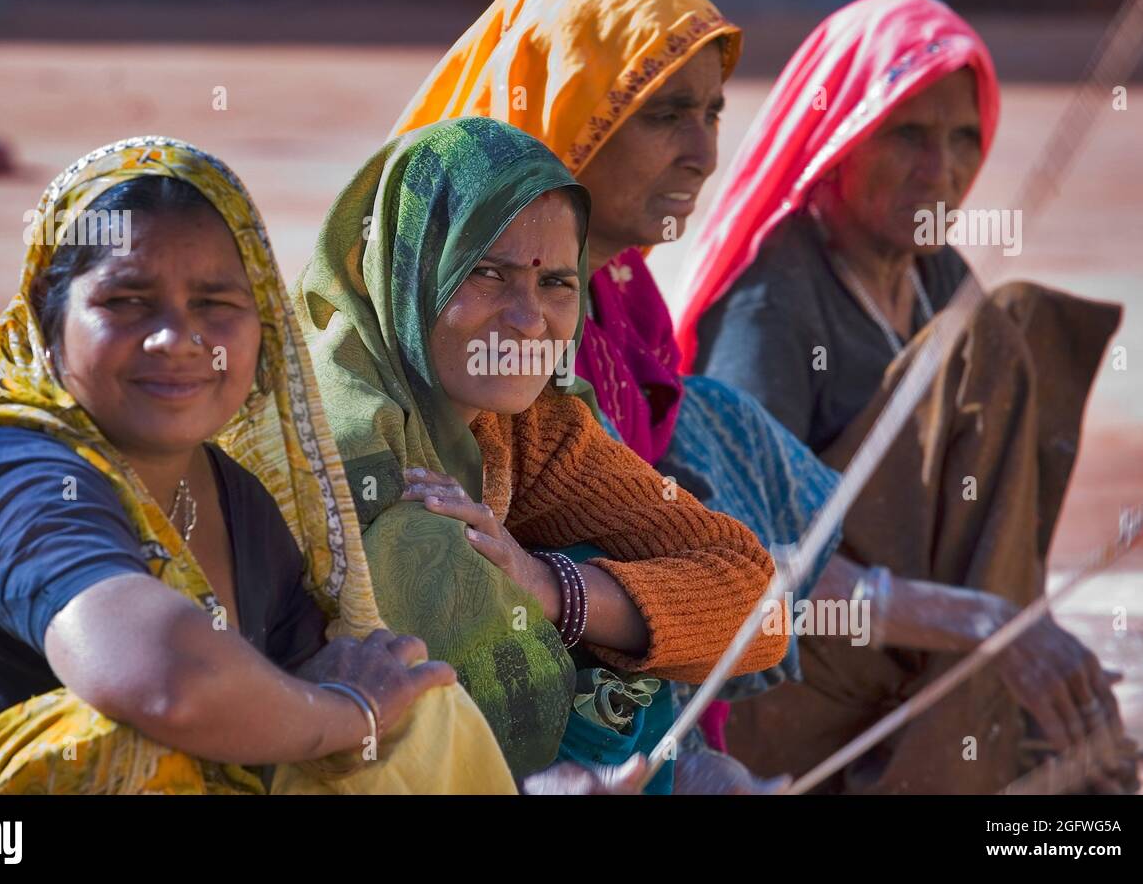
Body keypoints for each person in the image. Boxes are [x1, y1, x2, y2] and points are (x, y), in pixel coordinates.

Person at [0, 136, 517, 795]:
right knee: (132, 749)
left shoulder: (235, 496)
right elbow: (166, 685)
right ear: (48, 318)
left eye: (215, 304)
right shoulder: (13, 474)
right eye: (126, 302)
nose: (177, 340)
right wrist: (351, 713)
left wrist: (363, 715)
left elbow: (298, 689)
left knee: (412, 707)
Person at [390, 0, 848, 792]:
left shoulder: (613, 318)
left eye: (712, 113)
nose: (705, 154)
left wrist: (551, 586)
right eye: (666, 114)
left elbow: (751, 598)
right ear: (567, 111)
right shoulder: (386, 403)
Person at [674, 0, 1137, 793]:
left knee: (1028, 326)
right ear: (841, 140)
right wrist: (988, 624)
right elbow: (741, 568)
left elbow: (985, 525)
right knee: (997, 333)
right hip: (784, 685)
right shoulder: (774, 297)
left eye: (964, 138)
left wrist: (1028, 627)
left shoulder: (935, 276)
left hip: (898, 663)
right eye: (908, 135)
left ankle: (993, 719)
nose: (943, 170)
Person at [293, 116, 789, 786]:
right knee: (426, 543)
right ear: (407, 269)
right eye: (488, 273)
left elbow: (759, 606)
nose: (530, 319)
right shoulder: (340, 433)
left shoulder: (530, 425)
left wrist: (549, 587)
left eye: (556, 281)